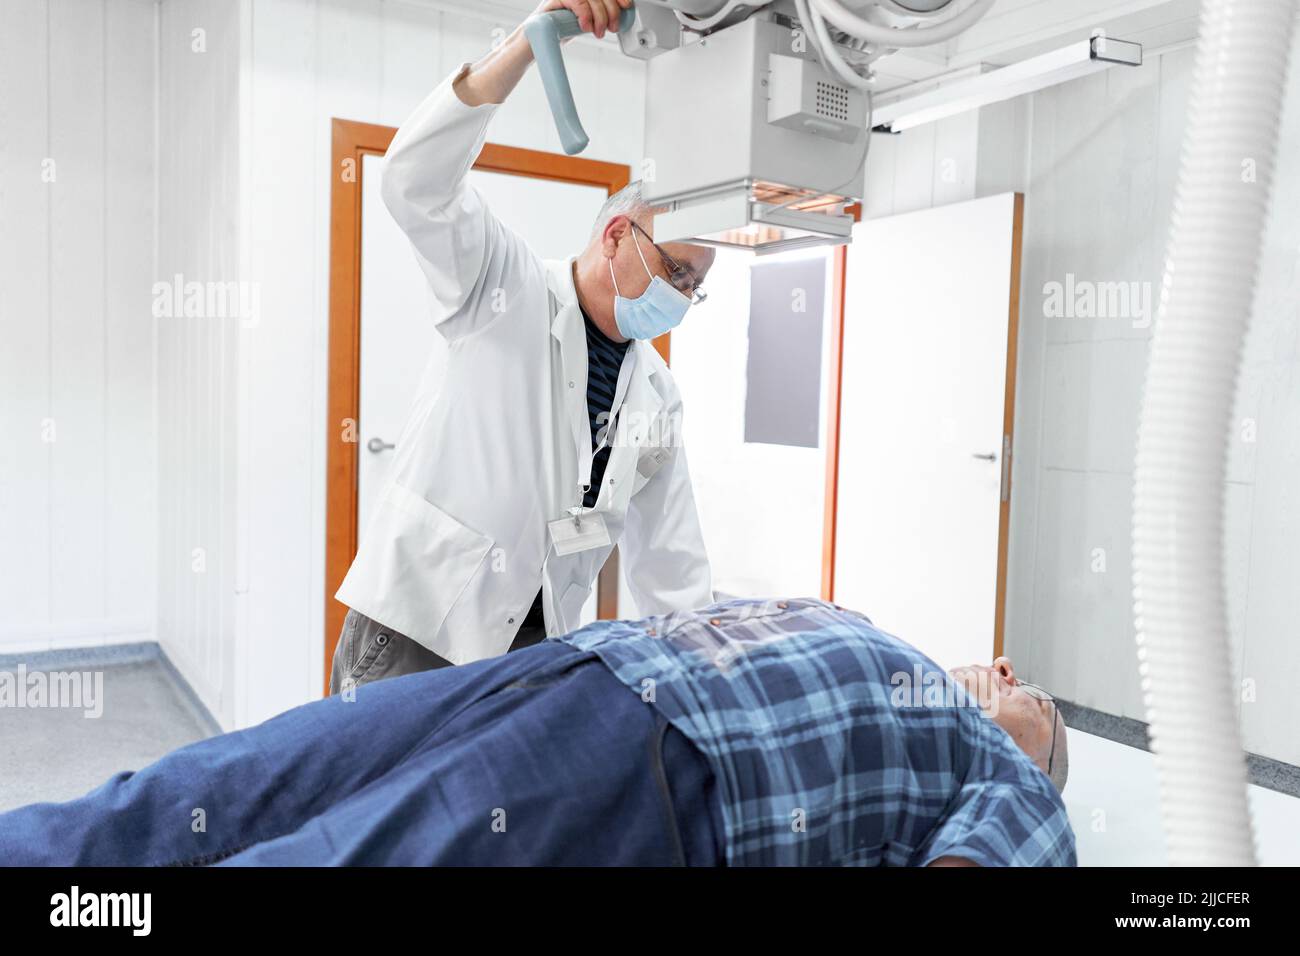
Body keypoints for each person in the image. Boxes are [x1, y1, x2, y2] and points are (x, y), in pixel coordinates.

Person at [0, 599, 1074, 866]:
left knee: (333, 855)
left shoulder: (1004, 776)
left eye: (1041, 703)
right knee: (235, 774)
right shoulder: (880, 633)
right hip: (575, 671)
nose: (1012, 679)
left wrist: (1019, 738)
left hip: (665, 776)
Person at [330, 0, 718, 691]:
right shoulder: (500, 287)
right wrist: (524, 45)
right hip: (422, 628)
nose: (682, 296)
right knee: (373, 797)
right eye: (676, 270)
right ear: (617, 235)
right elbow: (413, 181)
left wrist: (709, 674)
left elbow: (671, 558)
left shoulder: (656, 394)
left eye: (695, 285)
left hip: (535, 648)